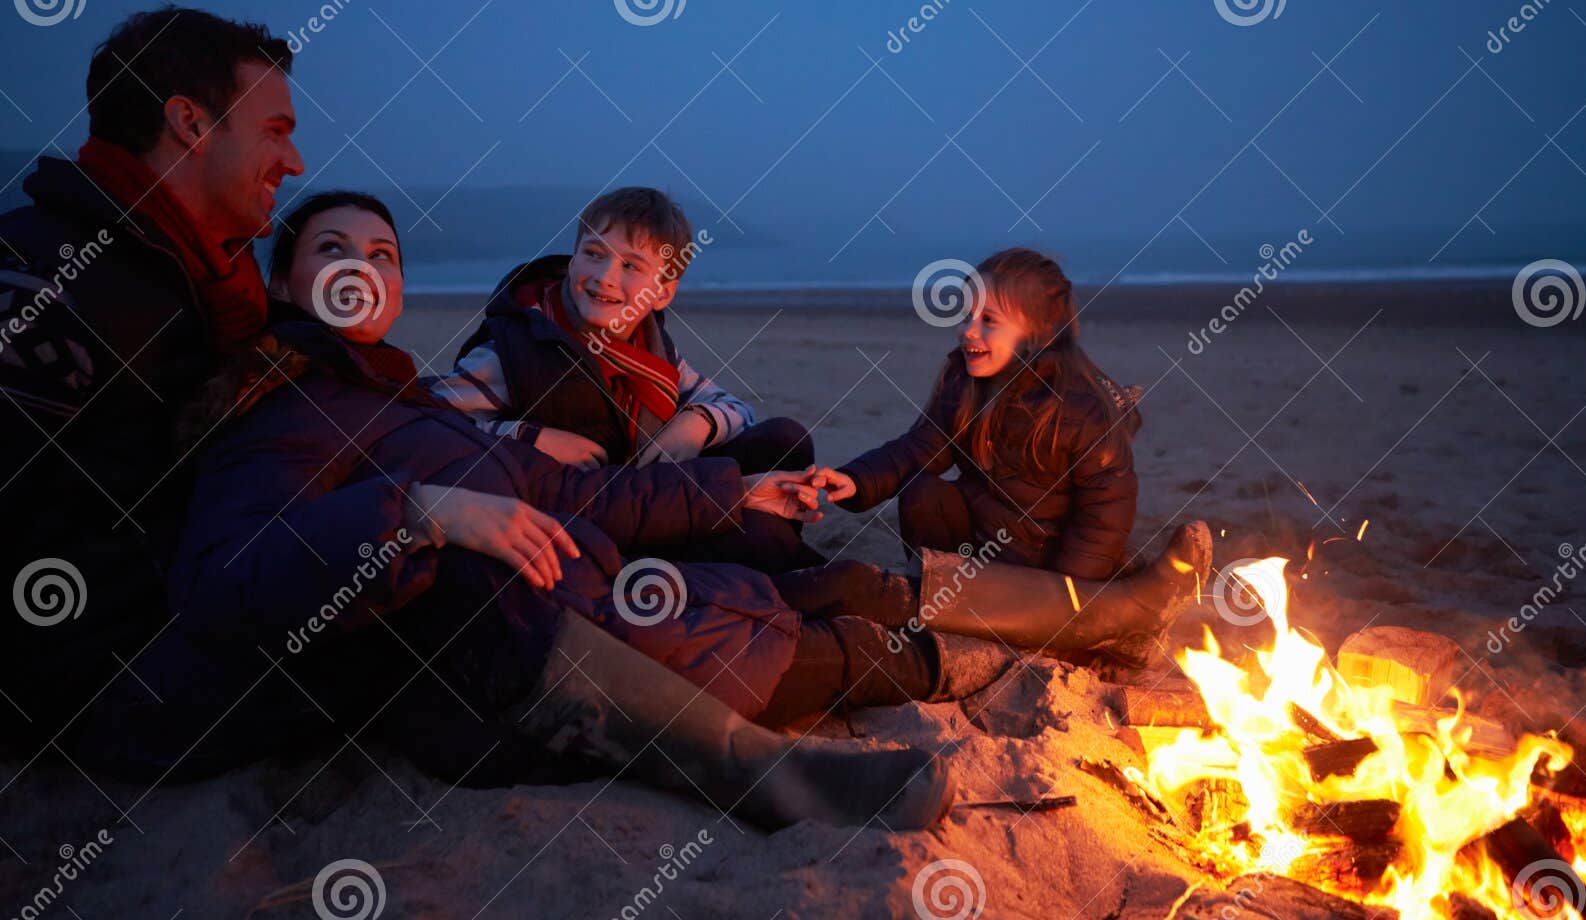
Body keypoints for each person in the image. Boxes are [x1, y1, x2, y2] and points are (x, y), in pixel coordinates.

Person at [168, 190, 958, 829]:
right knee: (733, 625)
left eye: (382, 256)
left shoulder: (388, 392)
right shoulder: (298, 405)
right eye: (332, 251)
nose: (361, 272)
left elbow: (583, 484)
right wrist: (419, 508)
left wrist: (719, 474)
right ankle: (850, 712)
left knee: (762, 546)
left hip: (586, 541)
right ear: (280, 283)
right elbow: (221, 579)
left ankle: (919, 620)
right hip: (522, 631)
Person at [0, 6, 303, 743]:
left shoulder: (202, 282)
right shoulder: (52, 284)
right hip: (82, 671)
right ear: (191, 125)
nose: (294, 163)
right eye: (275, 131)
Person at [808, 247, 1210, 669]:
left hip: (1052, 560)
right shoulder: (964, 384)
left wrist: (1064, 595)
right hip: (985, 543)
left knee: (1088, 589)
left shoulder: (1080, 408)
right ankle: (949, 603)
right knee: (922, 493)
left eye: (988, 322)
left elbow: (1104, 512)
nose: (968, 331)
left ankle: (1104, 628)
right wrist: (857, 480)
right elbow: (918, 448)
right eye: (966, 317)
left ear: (1039, 334)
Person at [432, 187, 819, 571]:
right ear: (572, 259)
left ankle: (781, 565)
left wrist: (696, 422)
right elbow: (428, 424)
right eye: (594, 254)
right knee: (761, 536)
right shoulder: (514, 351)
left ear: (663, 292)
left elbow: (736, 409)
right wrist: (528, 436)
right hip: (596, 521)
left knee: (786, 439)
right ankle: (788, 573)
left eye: (631, 266)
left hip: (659, 494)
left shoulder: (651, 350)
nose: (605, 277)